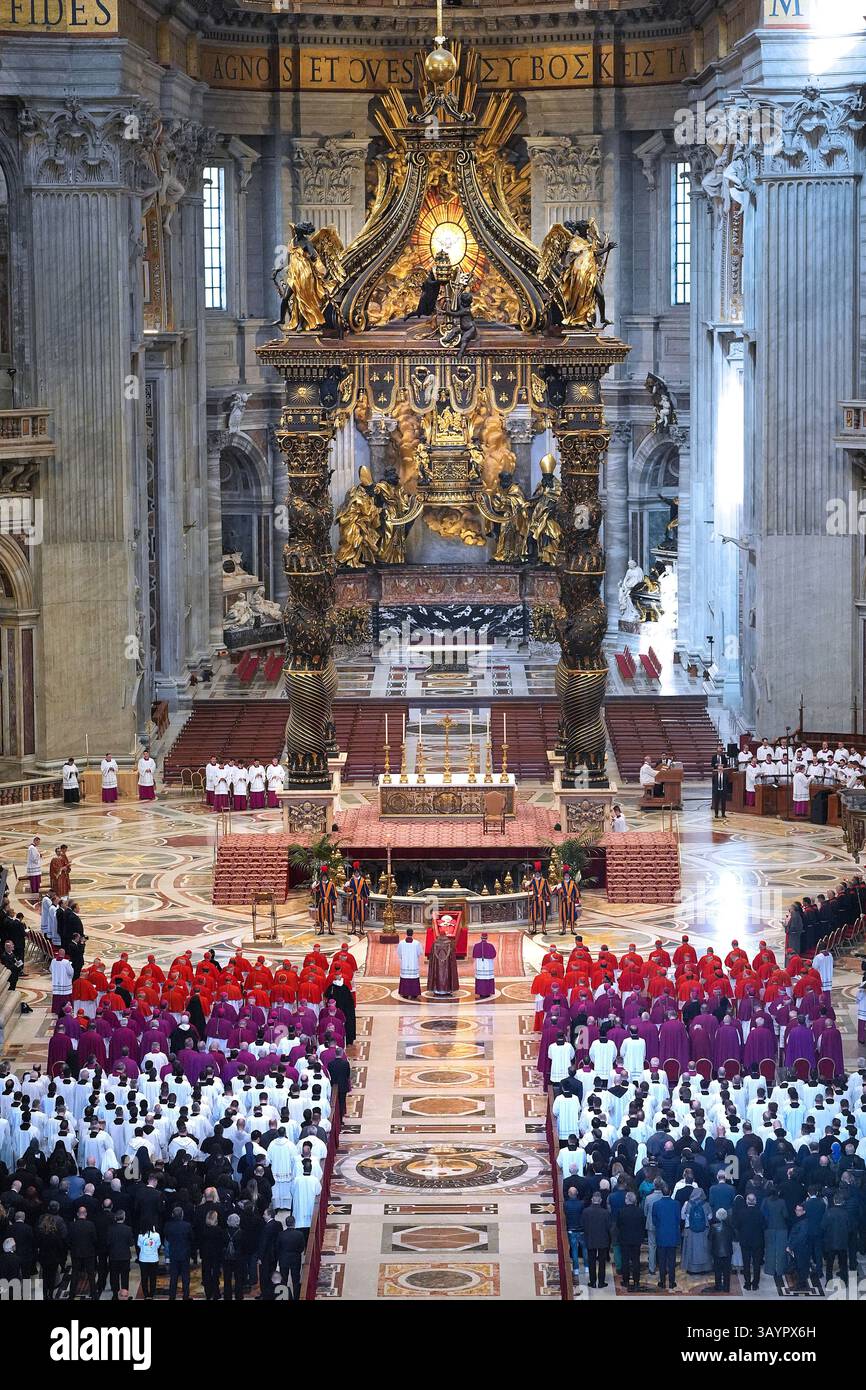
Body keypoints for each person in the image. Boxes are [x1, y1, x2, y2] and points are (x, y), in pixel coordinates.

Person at [615, 1190, 646, 1291]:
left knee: (625, 1261)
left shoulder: (621, 1211)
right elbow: (643, 1226)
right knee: (636, 1260)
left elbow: (618, 1225)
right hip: (636, 1240)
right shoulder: (640, 1211)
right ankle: (636, 1281)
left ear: (627, 1200)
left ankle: (626, 1280)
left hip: (624, 1239)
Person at [581, 1190, 612, 1289]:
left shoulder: (586, 1212)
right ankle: (601, 1282)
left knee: (591, 1261)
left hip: (590, 1239)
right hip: (603, 1240)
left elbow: (583, 1226)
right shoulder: (605, 1212)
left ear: (592, 1199)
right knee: (602, 1262)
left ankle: (593, 1281)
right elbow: (609, 1227)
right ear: (601, 1200)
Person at [652, 1186, 680, 1290]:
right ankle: (672, 1282)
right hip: (672, 1235)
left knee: (662, 1260)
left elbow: (654, 1221)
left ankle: (662, 1282)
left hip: (661, 1235)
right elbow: (678, 1220)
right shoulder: (676, 1204)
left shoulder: (656, 1204)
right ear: (670, 1191)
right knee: (672, 1260)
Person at [163, 1207, 193, 1301]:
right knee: (185, 1277)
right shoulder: (187, 1225)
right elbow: (192, 1238)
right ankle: (186, 1296)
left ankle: (172, 1296)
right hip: (184, 1253)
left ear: (173, 1215)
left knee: (173, 1277)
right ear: (182, 1215)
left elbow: (167, 1237)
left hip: (174, 1253)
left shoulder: (168, 1225)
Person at [106, 1211, 135, 1300]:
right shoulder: (128, 1229)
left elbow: (108, 1242)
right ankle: (124, 1295)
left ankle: (115, 1295)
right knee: (124, 1277)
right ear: (124, 1217)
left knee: (114, 1276)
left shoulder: (110, 1229)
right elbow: (131, 1243)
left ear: (115, 1218)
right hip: (125, 1257)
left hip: (113, 1256)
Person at [277, 1214, 306, 1301]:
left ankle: (284, 1297)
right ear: (294, 1223)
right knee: (295, 1281)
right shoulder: (299, 1234)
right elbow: (302, 1248)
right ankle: (296, 1297)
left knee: (283, 1281)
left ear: (286, 1224)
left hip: (283, 1259)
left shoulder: (281, 1234)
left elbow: (277, 1247)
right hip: (295, 1259)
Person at [709, 1208, 733, 1291]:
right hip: (728, 1251)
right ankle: (726, 1287)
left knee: (717, 1270)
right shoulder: (730, 1227)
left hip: (716, 1251)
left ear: (717, 1216)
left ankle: (718, 1286)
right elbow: (734, 1237)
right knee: (727, 1271)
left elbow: (709, 1238)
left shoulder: (713, 1227)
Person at [397, 928, 423, 1000]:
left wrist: (403, 958)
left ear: (406, 933)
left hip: (405, 963)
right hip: (413, 963)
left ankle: (404, 993)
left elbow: (399, 953)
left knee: (405, 976)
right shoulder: (416, 943)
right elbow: (420, 953)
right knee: (413, 977)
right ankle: (414, 993)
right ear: (412, 933)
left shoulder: (401, 943)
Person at [345, 861, 370, 937]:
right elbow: (346, 890)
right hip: (353, 899)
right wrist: (346, 888)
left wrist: (366, 900)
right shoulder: (351, 880)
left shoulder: (363, 881)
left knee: (361, 915)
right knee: (352, 914)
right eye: (355, 872)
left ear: (359, 872)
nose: (356, 873)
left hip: (361, 899)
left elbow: (366, 891)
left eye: (357, 872)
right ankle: (353, 929)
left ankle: (361, 929)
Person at [527, 861, 551, 934]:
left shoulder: (545, 881)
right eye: (536, 873)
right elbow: (528, 888)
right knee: (533, 914)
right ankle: (534, 929)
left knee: (543, 914)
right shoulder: (533, 880)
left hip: (542, 899)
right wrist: (526, 884)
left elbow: (548, 891)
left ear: (540, 874)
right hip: (534, 899)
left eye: (538, 873)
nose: (537, 875)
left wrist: (548, 900)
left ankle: (543, 929)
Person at [313, 866, 337, 936]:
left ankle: (330, 929)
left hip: (329, 902)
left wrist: (334, 902)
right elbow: (314, 892)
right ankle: (321, 929)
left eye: (325, 877)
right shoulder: (319, 884)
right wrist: (313, 887)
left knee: (330, 916)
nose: (324, 878)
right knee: (321, 916)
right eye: (323, 877)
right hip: (321, 902)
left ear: (327, 877)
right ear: (321, 877)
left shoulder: (331, 884)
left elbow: (334, 894)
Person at [50, 948, 74, 1015]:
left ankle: (56, 1010)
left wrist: (56, 975)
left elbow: (50, 970)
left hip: (56, 983)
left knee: (57, 997)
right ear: (64, 954)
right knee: (65, 997)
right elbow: (70, 972)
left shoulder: (53, 961)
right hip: (65, 983)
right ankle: (67, 1009)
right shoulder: (66, 962)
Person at [472, 932, 496, 998]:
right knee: (487, 977)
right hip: (488, 964)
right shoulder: (490, 946)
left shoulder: (476, 946)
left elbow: (474, 955)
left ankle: (480, 992)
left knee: (480, 977)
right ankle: (488, 992)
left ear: (481, 937)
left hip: (480, 964)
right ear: (487, 938)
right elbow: (494, 955)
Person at [711, 745, 730, 819]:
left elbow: (727, 783)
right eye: (718, 751)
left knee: (723, 803)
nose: (720, 769)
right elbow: (713, 783)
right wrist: (715, 765)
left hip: (723, 790)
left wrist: (725, 790)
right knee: (716, 803)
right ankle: (716, 814)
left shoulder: (725, 775)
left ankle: (723, 814)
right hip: (717, 790)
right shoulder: (715, 776)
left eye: (721, 768)